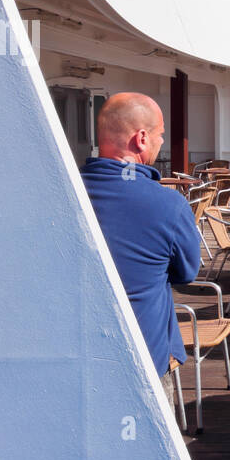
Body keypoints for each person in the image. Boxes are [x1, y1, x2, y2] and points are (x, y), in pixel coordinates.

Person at [79, 93, 200, 410]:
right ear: (142, 138)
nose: (161, 142)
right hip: (142, 365)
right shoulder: (168, 204)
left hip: (75, 362)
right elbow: (186, 273)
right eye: (160, 135)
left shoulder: (63, 194)